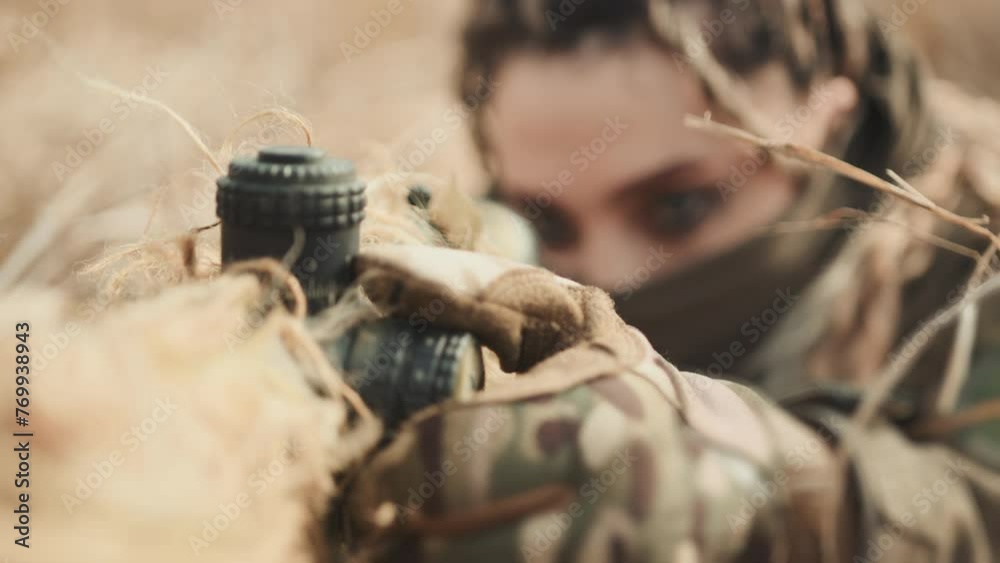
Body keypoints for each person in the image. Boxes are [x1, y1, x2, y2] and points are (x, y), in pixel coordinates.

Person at [335, 0, 1000, 561]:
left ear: (828, 120)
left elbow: (974, 505)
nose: (611, 276)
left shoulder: (976, 244)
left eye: (679, 207)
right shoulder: (465, 254)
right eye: (548, 221)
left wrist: (770, 496)